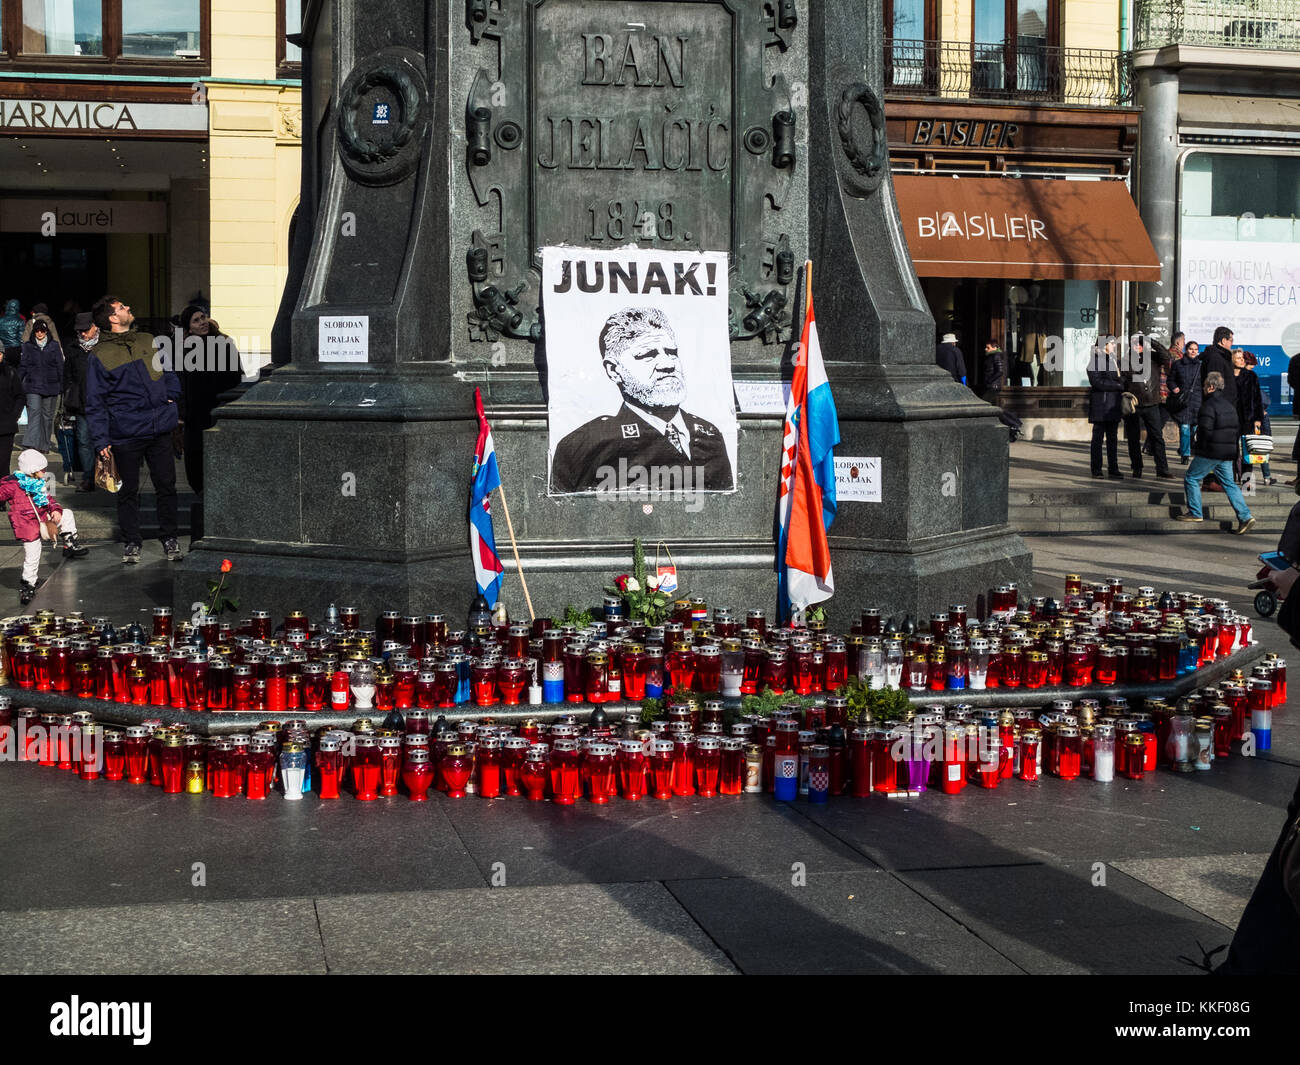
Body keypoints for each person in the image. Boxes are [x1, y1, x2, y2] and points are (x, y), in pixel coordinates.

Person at [550, 306, 734, 494]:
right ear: (614, 370)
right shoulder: (583, 445)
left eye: (671, 352)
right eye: (648, 355)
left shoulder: (709, 435)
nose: (668, 364)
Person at [86, 295, 183, 563]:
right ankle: (131, 541)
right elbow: (94, 402)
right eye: (121, 308)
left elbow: (169, 371)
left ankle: (170, 537)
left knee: (166, 485)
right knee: (127, 491)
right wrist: (100, 440)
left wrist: (172, 395)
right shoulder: (100, 355)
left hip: (160, 426)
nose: (128, 308)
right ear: (112, 318)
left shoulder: (148, 340)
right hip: (126, 431)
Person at [0, 449, 88, 604]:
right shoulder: (13, 484)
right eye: (42, 469)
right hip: (27, 525)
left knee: (66, 514)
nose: (45, 471)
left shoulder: (39, 483)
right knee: (32, 557)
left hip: (42, 519)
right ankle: (29, 585)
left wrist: (55, 510)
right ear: (32, 470)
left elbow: (49, 500)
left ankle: (69, 544)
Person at [1174, 371, 1255, 533]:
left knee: (1191, 478)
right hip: (1227, 452)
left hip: (1211, 451)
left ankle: (1195, 512)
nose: (1203, 388)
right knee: (1230, 484)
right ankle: (1245, 516)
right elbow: (1235, 430)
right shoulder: (1229, 406)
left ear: (1211, 387)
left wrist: (1198, 449)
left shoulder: (1208, 406)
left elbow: (1204, 431)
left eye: (1204, 385)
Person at [176, 303, 242, 496]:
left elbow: (235, 376)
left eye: (203, 317)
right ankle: (200, 492)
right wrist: (181, 414)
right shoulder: (184, 349)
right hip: (195, 414)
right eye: (196, 320)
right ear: (189, 328)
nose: (202, 322)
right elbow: (181, 382)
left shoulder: (224, 342)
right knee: (196, 459)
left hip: (219, 408)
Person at [1121, 335, 1172, 479]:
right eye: (1135, 344)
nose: (1138, 347)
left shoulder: (1153, 357)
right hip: (1134, 404)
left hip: (1152, 403)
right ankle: (1137, 467)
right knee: (1133, 438)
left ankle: (1162, 469)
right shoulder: (1126, 359)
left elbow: (1166, 355)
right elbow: (1127, 376)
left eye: (1141, 344)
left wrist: (1150, 341)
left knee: (1157, 437)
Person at [19, 312, 64, 454]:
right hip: (33, 385)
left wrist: (62, 384)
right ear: (34, 332)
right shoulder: (28, 346)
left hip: (51, 386)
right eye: (37, 331)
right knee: (34, 412)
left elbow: (60, 366)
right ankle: (31, 443)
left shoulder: (54, 346)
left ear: (46, 331)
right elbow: (23, 365)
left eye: (42, 330)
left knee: (47, 416)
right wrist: (18, 382)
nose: (39, 333)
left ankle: (44, 445)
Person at [64, 312, 98, 493]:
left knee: (106, 442)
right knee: (84, 441)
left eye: (86, 330)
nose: (83, 334)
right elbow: (67, 376)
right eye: (80, 331)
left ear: (94, 326)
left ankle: (108, 475)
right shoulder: (73, 348)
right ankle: (88, 477)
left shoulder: (104, 346)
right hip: (82, 403)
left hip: (104, 402)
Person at [1085, 339, 1124, 479]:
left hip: (1113, 405)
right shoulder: (1094, 361)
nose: (1114, 345)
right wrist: (1117, 386)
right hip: (1101, 405)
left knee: (1112, 439)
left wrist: (1121, 384)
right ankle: (1096, 469)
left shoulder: (1115, 360)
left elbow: (1122, 378)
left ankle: (1113, 468)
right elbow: (1097, 382)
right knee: (1098, 439)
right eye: (1111, 343)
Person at [1231, 349, 1266, 485]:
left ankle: (1247, 482)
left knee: (1247, 452)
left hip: (1248, 419)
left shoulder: (1251, 376)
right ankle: (1232, 479)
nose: (1242, 360)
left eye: (1242, 358)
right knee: (1232, 451)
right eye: (1238, 358)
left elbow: (1257, 399)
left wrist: (1258, 419)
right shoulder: (1227, 376)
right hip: (1231, 418)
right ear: (1232, 360)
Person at [1166, 338, 1202, 465]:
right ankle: (1185, 455)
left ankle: (1185, 448)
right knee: (1185, 428)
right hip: (1183, 401)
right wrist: (1174, 388)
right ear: (1186, 350)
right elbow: (1170, 380)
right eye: (1191, 349)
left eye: (1195, 349)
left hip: (1197, 401)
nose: (1193, 351)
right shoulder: (1178, 364)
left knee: (1194, 429)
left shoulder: (1201, 366)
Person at [0, 341, 26, 465]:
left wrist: (15, 415)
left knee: (3, 463)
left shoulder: (10, 372)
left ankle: (3, 485)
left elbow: (20, 396)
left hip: (6, 426)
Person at [1201, 325, 1237, 405]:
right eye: (1231, 340)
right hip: (1220, 406)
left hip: (1225, 405)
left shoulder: (1223, 356)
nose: (1232, 343)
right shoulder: (1215, 358)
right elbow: (1214, 385)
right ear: (1223, 340)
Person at [980, 340, 1004, 405]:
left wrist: (989, 380)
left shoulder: (996, 356)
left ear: (995, 348)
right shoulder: (990, 356)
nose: (985, 349)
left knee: (984, 404)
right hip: (990, 385)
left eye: (988, 347)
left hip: (993, 386)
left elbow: (1000, 371)